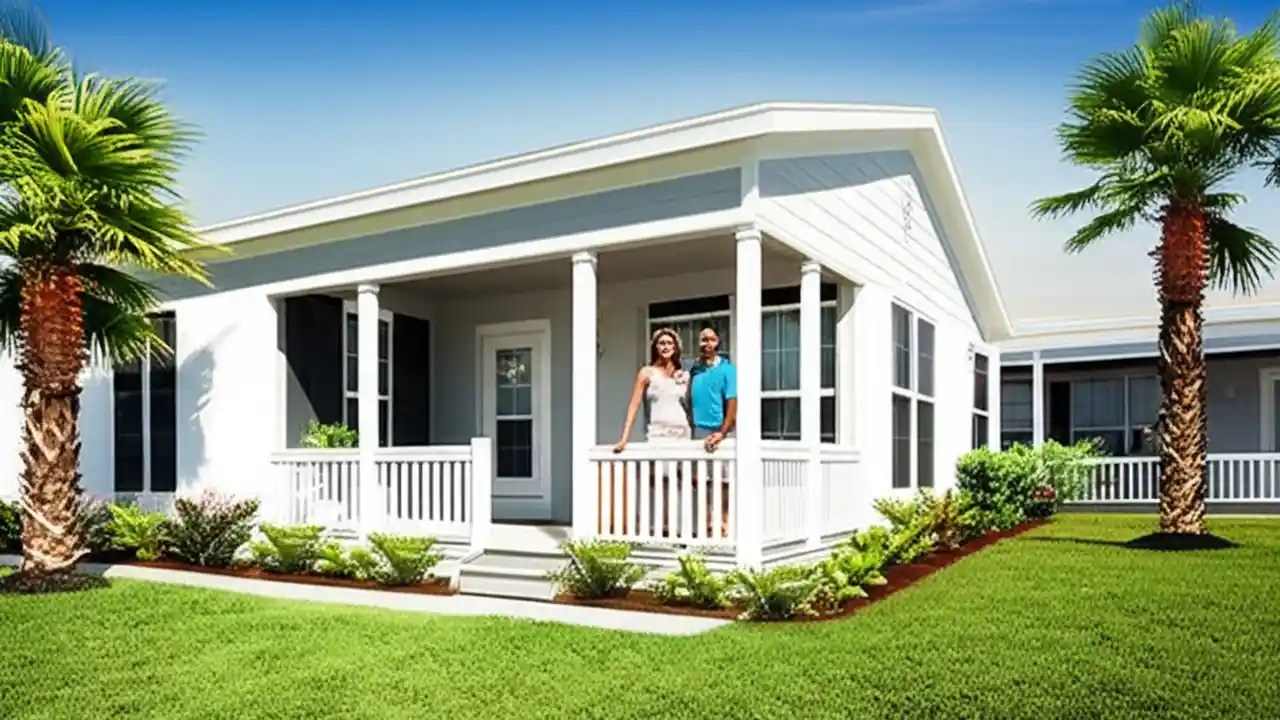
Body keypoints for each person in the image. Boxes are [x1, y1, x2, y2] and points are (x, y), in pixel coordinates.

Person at [613, 328, 690, 451]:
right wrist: (624, 439)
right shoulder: (647, 372)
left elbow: (690, 407)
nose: (666, 347)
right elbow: (634, 406)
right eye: (662, 343)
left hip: (682, 432)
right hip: (658, 433)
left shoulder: (682, 375)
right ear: (656, 347)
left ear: (675, 348)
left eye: (669, 343)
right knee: (658, 469)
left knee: (682, 470)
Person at [689, 326, 736, 452]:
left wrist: (722, 432)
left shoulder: (727, 368)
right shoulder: (694, 370)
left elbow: (732, 402)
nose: (708, 343)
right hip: (697, 431)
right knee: (697, 471)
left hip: (720, 430)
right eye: (704, 339)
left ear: (718, 341)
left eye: (712, 339)